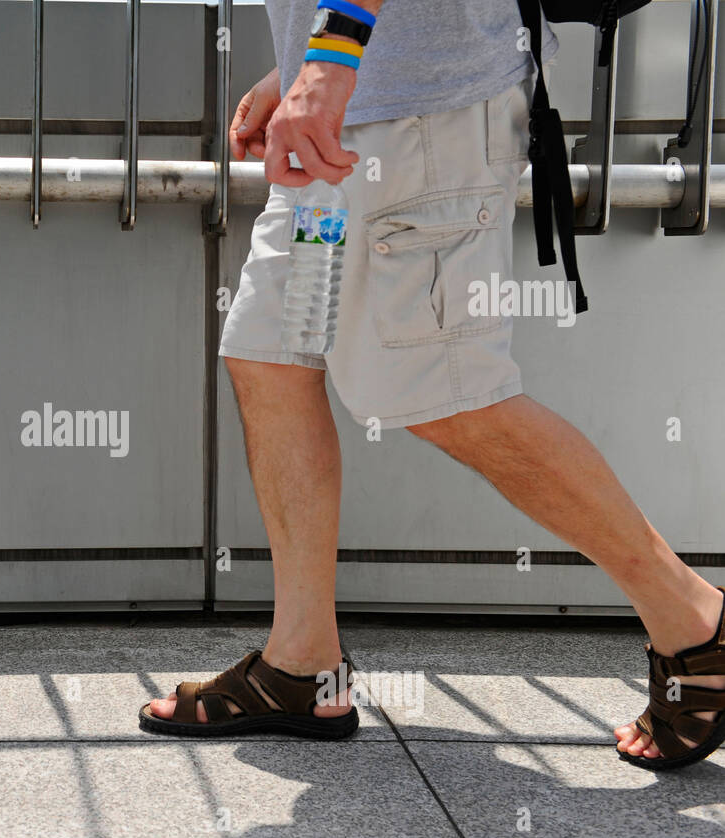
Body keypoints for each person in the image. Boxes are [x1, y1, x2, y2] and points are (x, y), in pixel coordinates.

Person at [138, 0, 725, 770]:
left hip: (419, 118)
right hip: (367, 99)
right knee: (269, 355)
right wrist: (302, 61)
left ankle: (695, 624)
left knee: (451, 396)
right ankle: (301, 665)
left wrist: (332, 59)